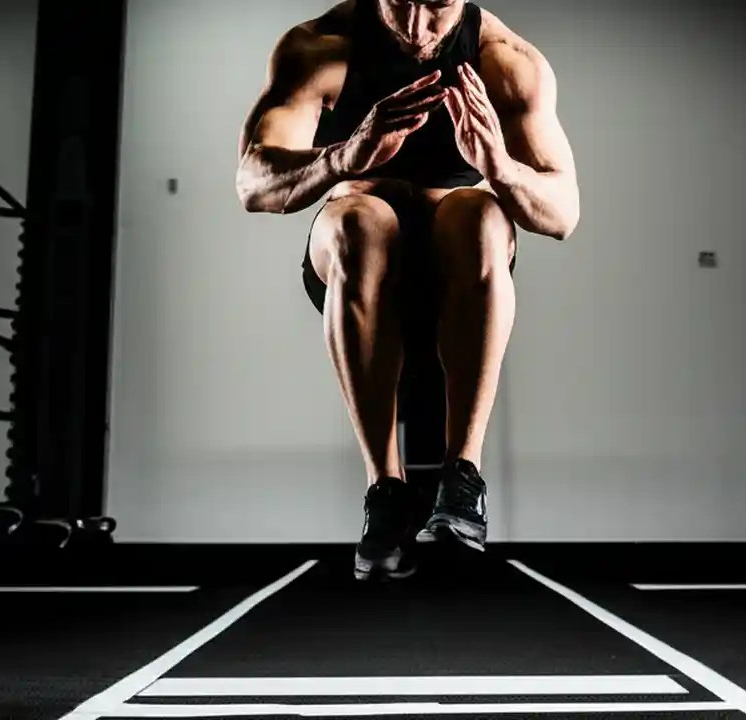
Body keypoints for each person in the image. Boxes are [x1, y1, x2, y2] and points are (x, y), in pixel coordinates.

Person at [234, 0, 579, 580]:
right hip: (356, 261)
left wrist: (499, 166)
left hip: (462, 265)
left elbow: (563, 212)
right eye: (400, 4)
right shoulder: (321, 49)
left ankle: (461, 478)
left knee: (481, 215)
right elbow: (253, 182)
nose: (418, 28)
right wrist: (345, 156)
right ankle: (385, 490)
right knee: (356, 224)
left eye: (437, 9)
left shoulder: (507, 62)